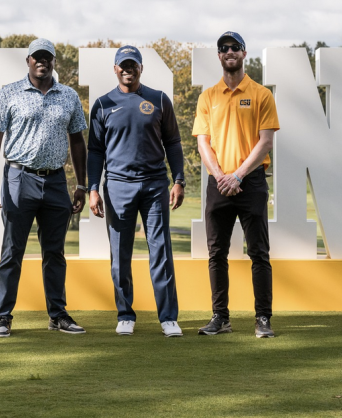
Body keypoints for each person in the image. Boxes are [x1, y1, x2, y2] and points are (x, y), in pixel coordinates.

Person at [0, 38, 88, 338]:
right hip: (19, 178)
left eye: (48, 57)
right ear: (28, 60)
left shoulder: (68, 96)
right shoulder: (10, 93)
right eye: (37, 57)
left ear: (54, 61)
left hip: (55, 180)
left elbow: (78, 141)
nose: (42, 61)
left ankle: (58, 315)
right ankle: (3, 317)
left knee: (54, 252)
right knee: (12, 250)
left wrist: (81, 184)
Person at [87, 46, 186, 337]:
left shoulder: (158, 100)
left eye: (133, 65)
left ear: (141, 68)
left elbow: (174, 143)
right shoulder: (103, 104)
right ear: (115, 69)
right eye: (122, 65)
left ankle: (168, 318)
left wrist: (178, 180)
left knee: (161, 252)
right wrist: (93, 189)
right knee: (120, 255)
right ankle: (125, 314)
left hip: (155, 186)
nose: (127, 69)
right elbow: (95, 152)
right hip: (117, 187)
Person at [191, 31, 280, 338]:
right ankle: (220, 317)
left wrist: (238, 175)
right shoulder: (208, 97)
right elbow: (203, 144)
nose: (229, 51)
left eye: (234, 47)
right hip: (219, 182)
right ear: (219, 56)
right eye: (223, 48)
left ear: (244, 53)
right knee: (216, 254)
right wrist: (220, 177)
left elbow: (265, 142)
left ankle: (263, 319)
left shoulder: (261, 94)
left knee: (259, 252)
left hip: (250, 181)